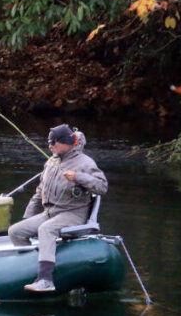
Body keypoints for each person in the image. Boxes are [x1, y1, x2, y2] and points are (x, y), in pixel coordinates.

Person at [8, 124, 108, 292]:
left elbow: (102, 187)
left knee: (46, 230)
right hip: (50, 212)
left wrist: (78, 177)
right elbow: (40, 191)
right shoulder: (51, 162)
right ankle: (29, 270)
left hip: (73, 213)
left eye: (53, 142)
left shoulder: (85, 162)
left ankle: (46, 280)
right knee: (15, 231)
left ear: (66, 142)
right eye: (48, 142)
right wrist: (28, 216)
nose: (50, 146)